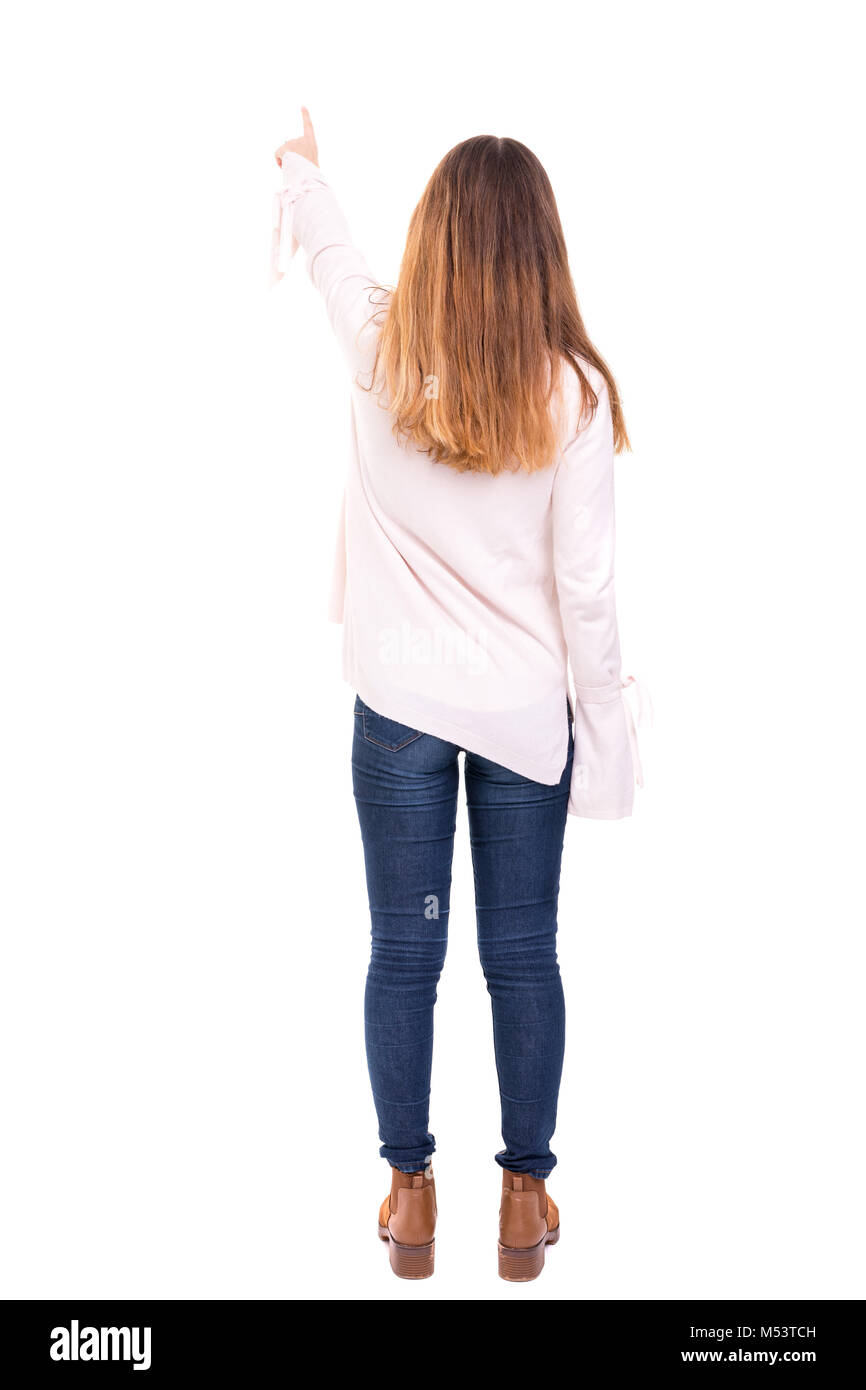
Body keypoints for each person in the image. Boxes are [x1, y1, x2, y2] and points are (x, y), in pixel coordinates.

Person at [272, 109, 645, 1281]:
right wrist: (611, 748)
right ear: (542, 252)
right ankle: (525, 1202)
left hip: (397, 716)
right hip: (525, 719)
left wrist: (299, 168)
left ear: (432, 241)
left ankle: (409, 1193)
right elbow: (585, 597)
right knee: (522, 954)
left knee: (402, 952)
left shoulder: (381, 352)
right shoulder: (573, 395)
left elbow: (331, 256)